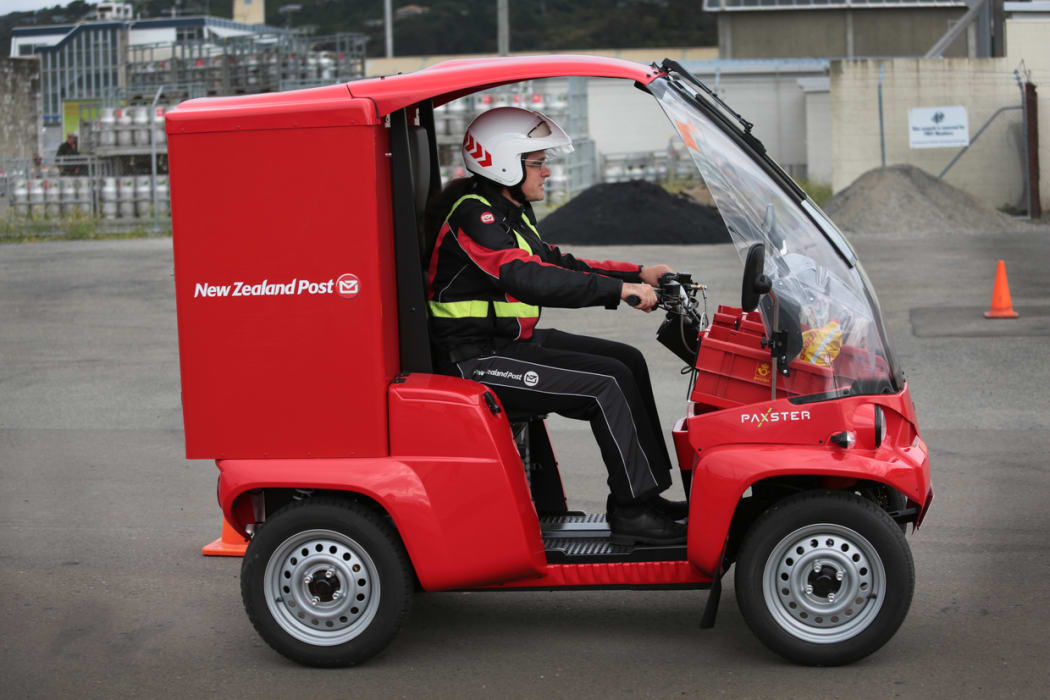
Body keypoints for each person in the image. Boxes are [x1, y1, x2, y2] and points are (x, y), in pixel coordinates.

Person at [425, 107, 688, 545]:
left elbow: (555, 262)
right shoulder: (475, 216)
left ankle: (647, 496)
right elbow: (527, 277)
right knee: (604, 385)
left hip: (508, 344)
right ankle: (631, 513)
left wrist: (636, 274)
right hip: (474, 359)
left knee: (626, 360)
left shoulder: (508, 209)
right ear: (503, 164)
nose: (547, 171)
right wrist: (616, 294)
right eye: (538, 162)